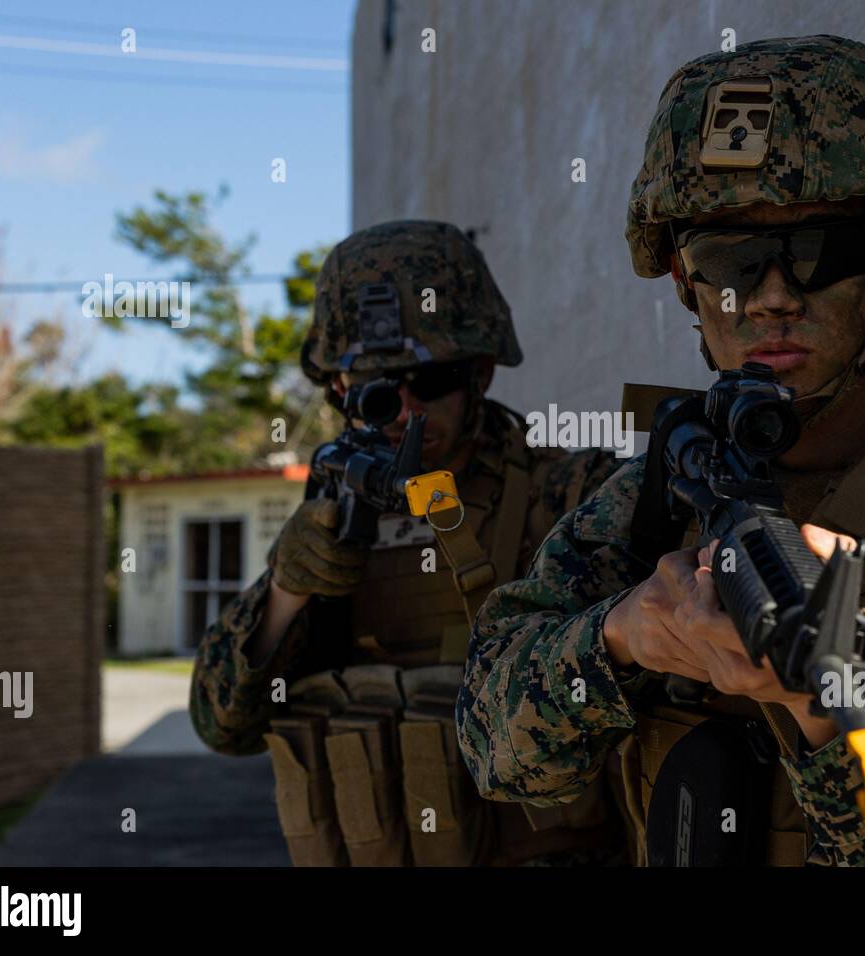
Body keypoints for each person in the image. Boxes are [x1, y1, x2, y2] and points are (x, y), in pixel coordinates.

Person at [456, 36, 865, 866]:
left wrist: (830, 717)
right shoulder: (664, 484)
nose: (773, 297)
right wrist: (625, 636)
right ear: (684, 282)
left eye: (823, 252)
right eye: (731, 259)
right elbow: (494, 752)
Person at [190, 220, 623, 866]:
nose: (404, 412)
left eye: (430, 382)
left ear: (480, 373)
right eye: (375, 390)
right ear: (339, 389)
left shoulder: (567, 494)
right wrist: (286, 591)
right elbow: (222, 725)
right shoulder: (336, 514)